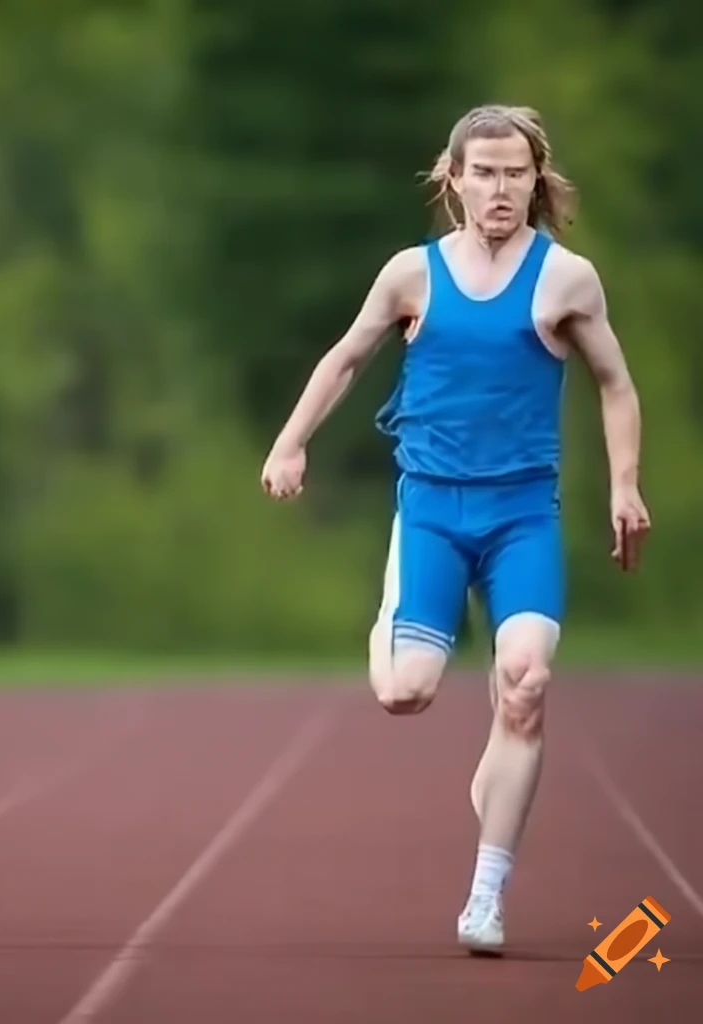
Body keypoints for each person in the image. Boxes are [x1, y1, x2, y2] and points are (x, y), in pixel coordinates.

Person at [259, 104, 651, 954]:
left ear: (536, 181)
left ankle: (485, 898)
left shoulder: (566, 280)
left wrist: (624, 484)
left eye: (517, 172)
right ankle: (392, 619)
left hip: (521, 518)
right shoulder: (413, 274)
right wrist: (291, 444)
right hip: (432, 510)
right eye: (485, 172)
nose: (501, 188)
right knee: (406, 693)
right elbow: (348, 357)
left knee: (527, 683)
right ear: (455, 178)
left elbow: (615, 384)